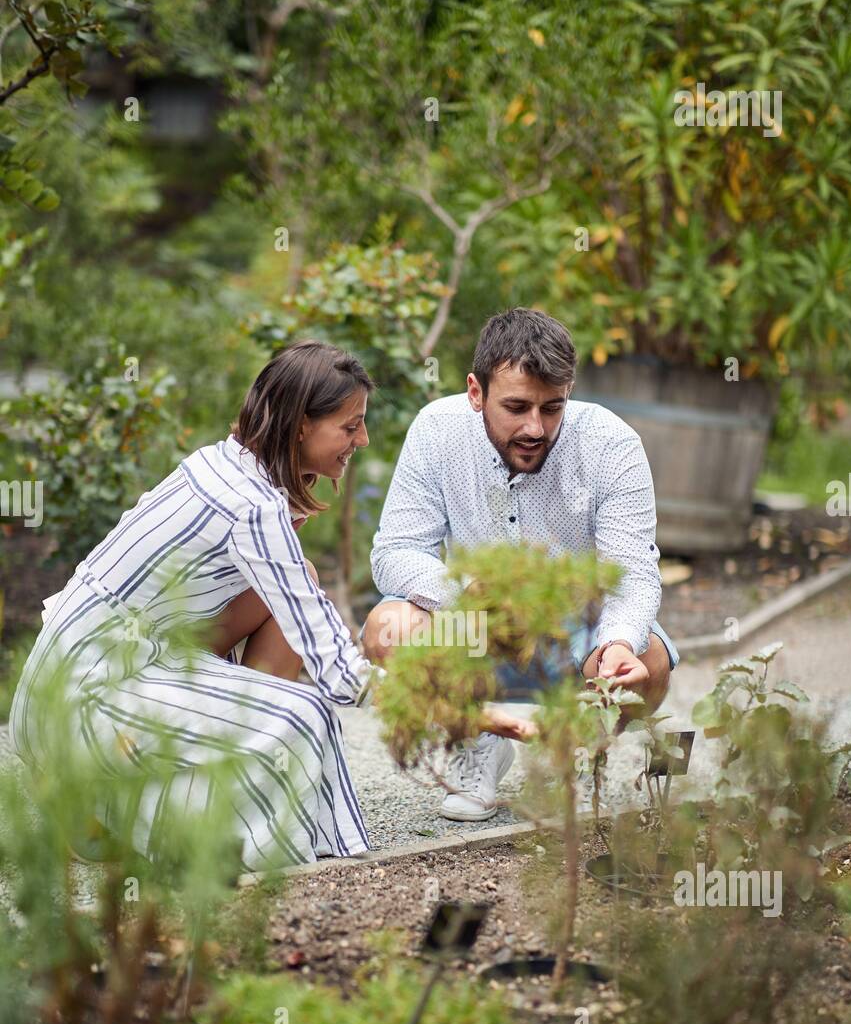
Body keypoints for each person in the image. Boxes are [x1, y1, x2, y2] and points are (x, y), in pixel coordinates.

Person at [11, 341, 382, 871]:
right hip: (84, 698)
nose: (362, 439)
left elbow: (297, 608)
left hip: (69, 681)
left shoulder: (219, 462)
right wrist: (435, 706)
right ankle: (206, 842)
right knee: (303, 718)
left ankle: (142, 805)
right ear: (301, 423)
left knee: (295, 590)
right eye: (350, 426)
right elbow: (338, 672)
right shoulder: (252, 507)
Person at [362, 308, 679, 822]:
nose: (535, 427)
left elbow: (633, 572)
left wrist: (617, 643)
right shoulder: (437, 431)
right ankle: (478, 744)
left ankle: (575, 745)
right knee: (387, 626)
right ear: (474, 392)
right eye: (516, 407)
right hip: (473, 630)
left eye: (552, 407)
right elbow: (395, 551)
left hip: (578, 631)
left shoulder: (611, 443)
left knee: (652, 662)